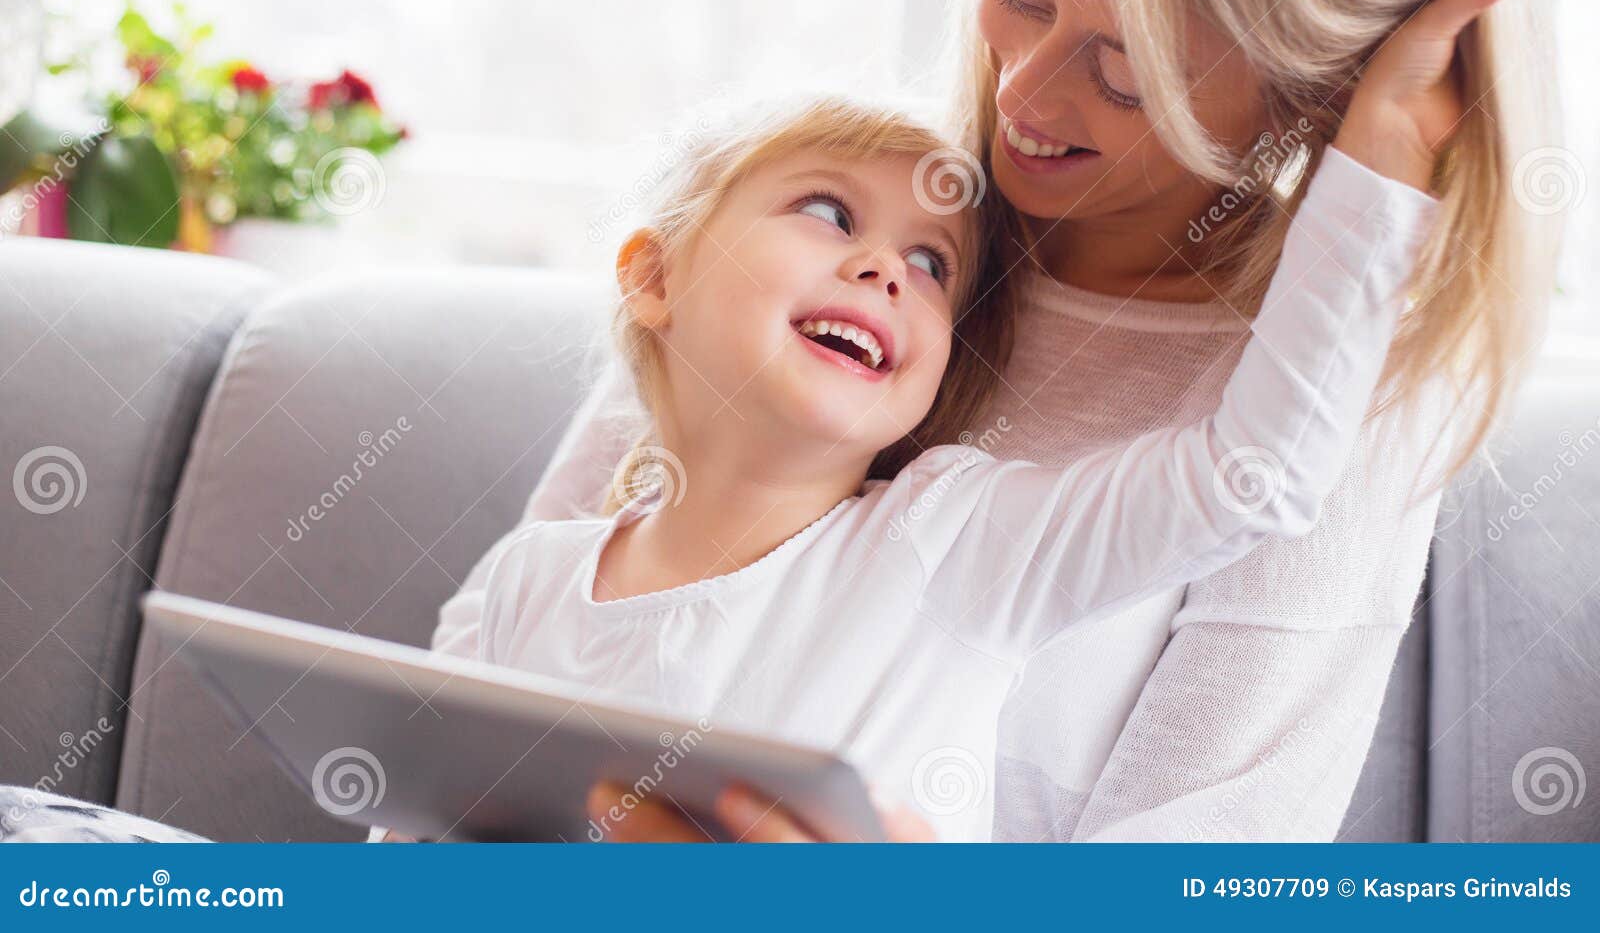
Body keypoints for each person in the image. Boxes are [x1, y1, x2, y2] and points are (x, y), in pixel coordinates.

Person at [495, 0, 1562, 841]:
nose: (1026, 97)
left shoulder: (1340, 399)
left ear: (1316, 95)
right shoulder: (810, 240)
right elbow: (478, 726)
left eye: (1127, 74)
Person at [375, 84, 1433, 843]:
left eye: (931, 264)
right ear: (653, 276)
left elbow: (1256, 474)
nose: (885, 267)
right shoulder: (519, 588)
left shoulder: (955, 544)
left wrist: (1376, 165)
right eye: (829, 212)